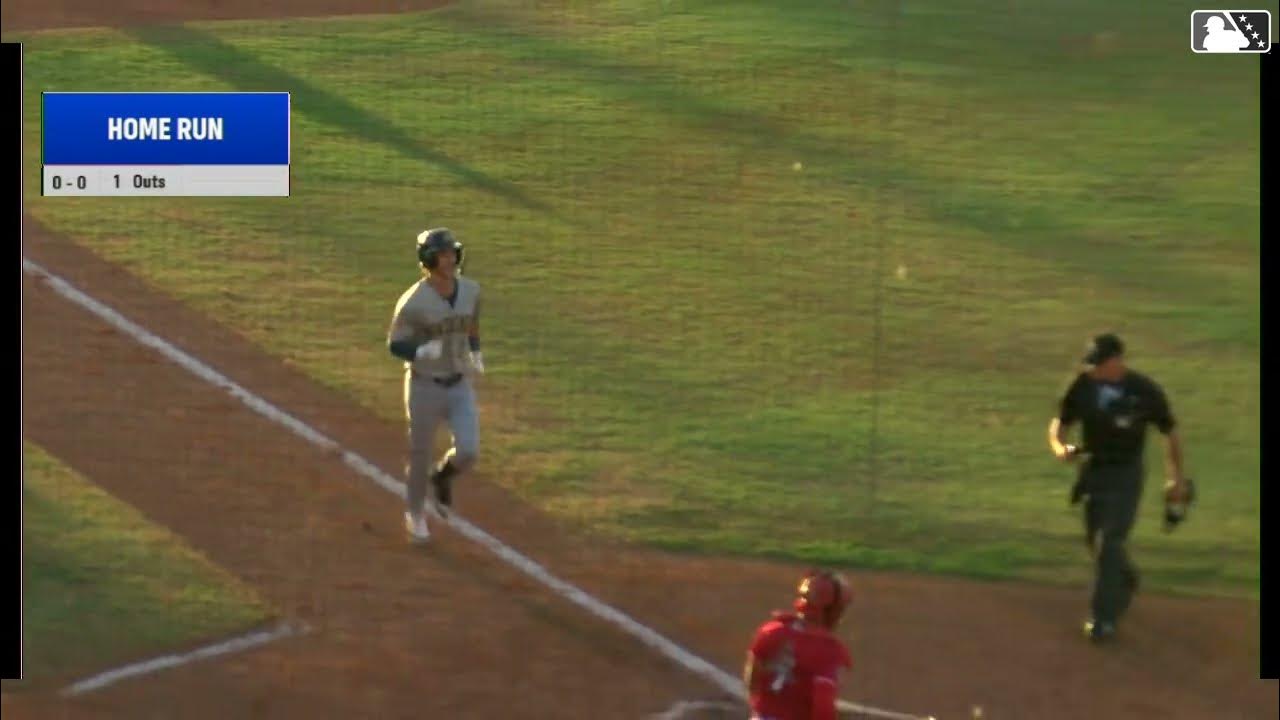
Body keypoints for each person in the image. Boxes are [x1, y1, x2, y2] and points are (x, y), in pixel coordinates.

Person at [1046, 333, 1190, 642]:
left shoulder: (1143, 391)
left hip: (1126, 474)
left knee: (1109, 542)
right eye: (1091, 364)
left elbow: (1170, 432)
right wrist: (1060, 447)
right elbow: (1060, 422)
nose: (1093, 369)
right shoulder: (1083, 385)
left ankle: (1103, 618)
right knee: (1094, 542)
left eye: (1099, 364)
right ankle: (1125, 578)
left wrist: (1175, 477)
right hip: (1094, 470)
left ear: (1116, 362)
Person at [386, 227, 484, 543]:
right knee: (420, 454)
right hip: (424, 385)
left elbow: (470, 323)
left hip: (459, 384)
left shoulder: (470, 290)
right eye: (443, 255)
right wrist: (419, 351)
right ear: (429, 259)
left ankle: (442, 477)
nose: (450, 259)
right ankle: (415, 515)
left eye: (452, 253)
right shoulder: (413, 302)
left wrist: (476, 351)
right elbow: (394, 344)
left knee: (469, 451)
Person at [743, 569, 854, 720]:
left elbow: (752, 679)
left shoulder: (772, 630)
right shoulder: (831, 650)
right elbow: (823, 708)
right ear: (833, 609)